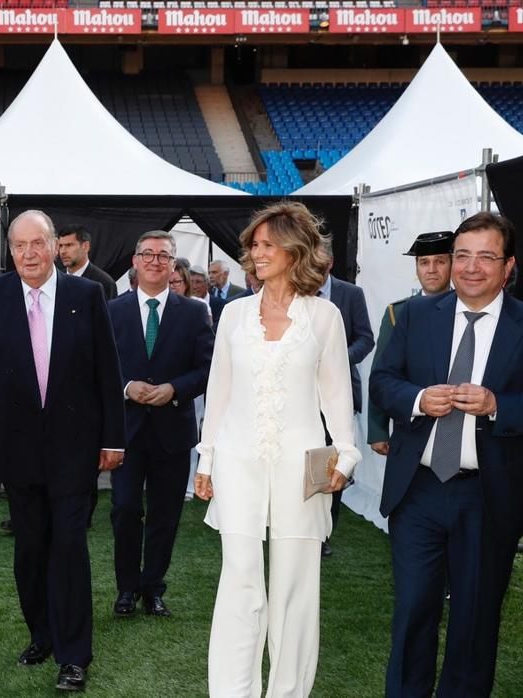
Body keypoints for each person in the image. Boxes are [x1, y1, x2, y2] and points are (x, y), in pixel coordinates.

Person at [371, 212, 523, 697]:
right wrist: (418, 400)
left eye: (486, 256)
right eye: (463, 255)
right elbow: (382, 382)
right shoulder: (414, 315)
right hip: (418, 493)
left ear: (509, 267)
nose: (471, 267)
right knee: (414, 609)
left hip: (487, 496)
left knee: (474, 620)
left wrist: (497, 404)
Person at [0, 210, 125, 692]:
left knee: (68, 546)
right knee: (30, 548)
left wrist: (113, 438)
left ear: (54, 247)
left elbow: (108, 371)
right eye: (19, 245)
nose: (28, 253)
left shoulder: (86, 296)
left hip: (74, 448)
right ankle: (41, 633)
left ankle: (73, 655)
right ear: (11, 249)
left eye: (37, 244)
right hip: (16, 446)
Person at [193, 201, 360, 697]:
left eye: (268, 245)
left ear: (296, 249)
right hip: (237, 462)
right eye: (254, 245)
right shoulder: (233, 315)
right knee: (240, 581)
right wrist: (205, 459)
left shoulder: (324, 316)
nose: (256, 253)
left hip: (302, 467)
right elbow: (218, 393)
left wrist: (346, 457)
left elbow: (336, 397)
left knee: (294, 589)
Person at [107, 231, 213, 618]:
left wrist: (174, 389)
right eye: (147, 254)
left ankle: (152, 587)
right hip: (127, 432)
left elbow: (208, 369)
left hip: (173, 431)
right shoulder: (112, 311)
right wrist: (125, 386)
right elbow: (97, 367)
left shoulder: (193, 313)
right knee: (124, 508)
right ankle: (125, 587)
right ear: (135, 261)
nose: (155, 261)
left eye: (163, 256)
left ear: (173, 264)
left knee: (165, 514)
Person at [365, 231, 454, 455]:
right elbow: (381, 373)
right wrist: (378, 430)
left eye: (440, 262)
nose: (431, 269)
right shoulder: (399, 313)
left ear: (452, 265)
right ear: (416, 268)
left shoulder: (466, 310)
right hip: (412, 422)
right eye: (424, 262)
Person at [316, 250, 375, 557]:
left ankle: (324, 532)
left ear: (330, 262)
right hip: (300, 394)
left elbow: (366, 339)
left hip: (338, 393)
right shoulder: (294, 290)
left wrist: (337, 360)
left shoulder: (350, 294)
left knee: (331, 465)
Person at [57, 224, 118, 300]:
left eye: (69, 245)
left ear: (85, 246)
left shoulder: (104, 283)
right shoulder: (55, 279)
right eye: (60, 246)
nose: (63, 251)